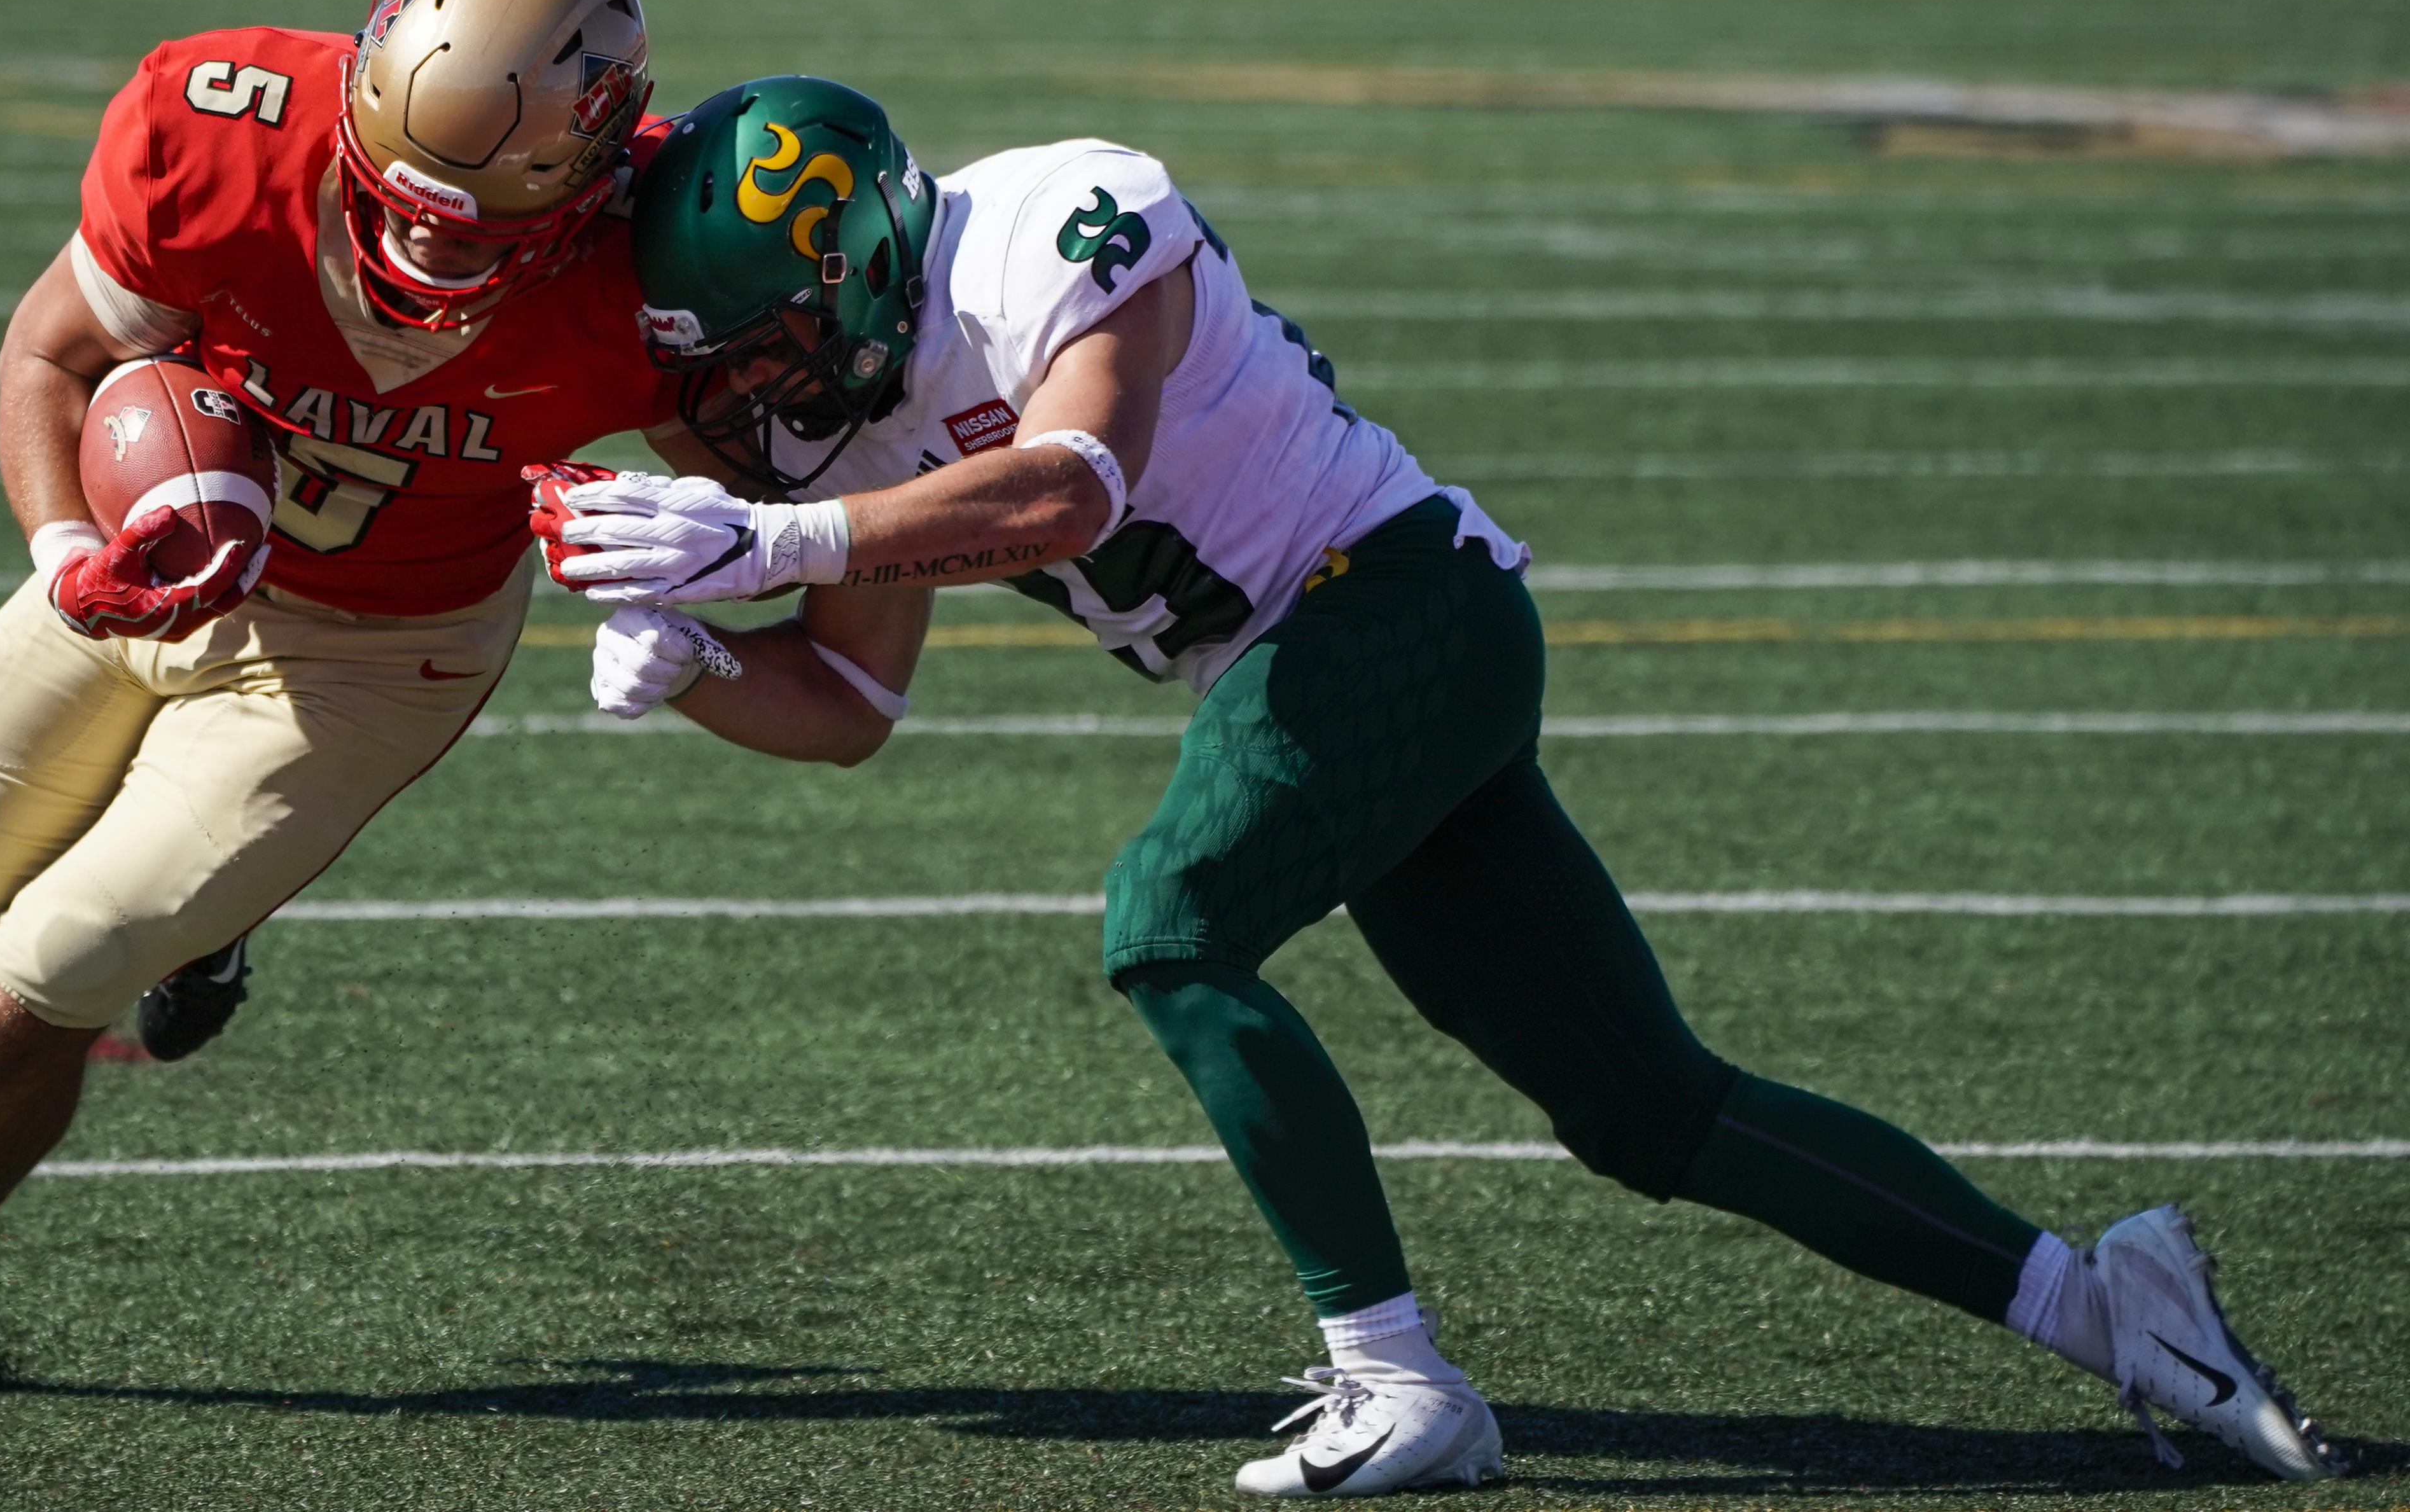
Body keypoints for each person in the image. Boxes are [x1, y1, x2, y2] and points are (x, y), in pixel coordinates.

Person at [526, 76, 2348, 1496]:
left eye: (763, 340)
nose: (751, 388)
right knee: (1648, 1108)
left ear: (850, 260)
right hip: (1320, 663)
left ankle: (1397, 1373)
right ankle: (2106, 1303)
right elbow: (845, 698)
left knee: (1172, 927)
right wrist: (696, 658)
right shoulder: (835, 416)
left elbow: (1071, 483)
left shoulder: (1060, 227)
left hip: (1392, 600)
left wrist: (767, 529)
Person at [0, 0, 675, 1411]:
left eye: (482, 220)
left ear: (596, 155)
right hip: (144, 578)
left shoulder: (665, 250)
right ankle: (211, 926)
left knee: (44, 974)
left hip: (378, 651)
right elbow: (51, 357)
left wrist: (712, 565)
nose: (430, 244)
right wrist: (70, 553)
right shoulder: (217, 127)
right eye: (402, 197)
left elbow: (761, 466)